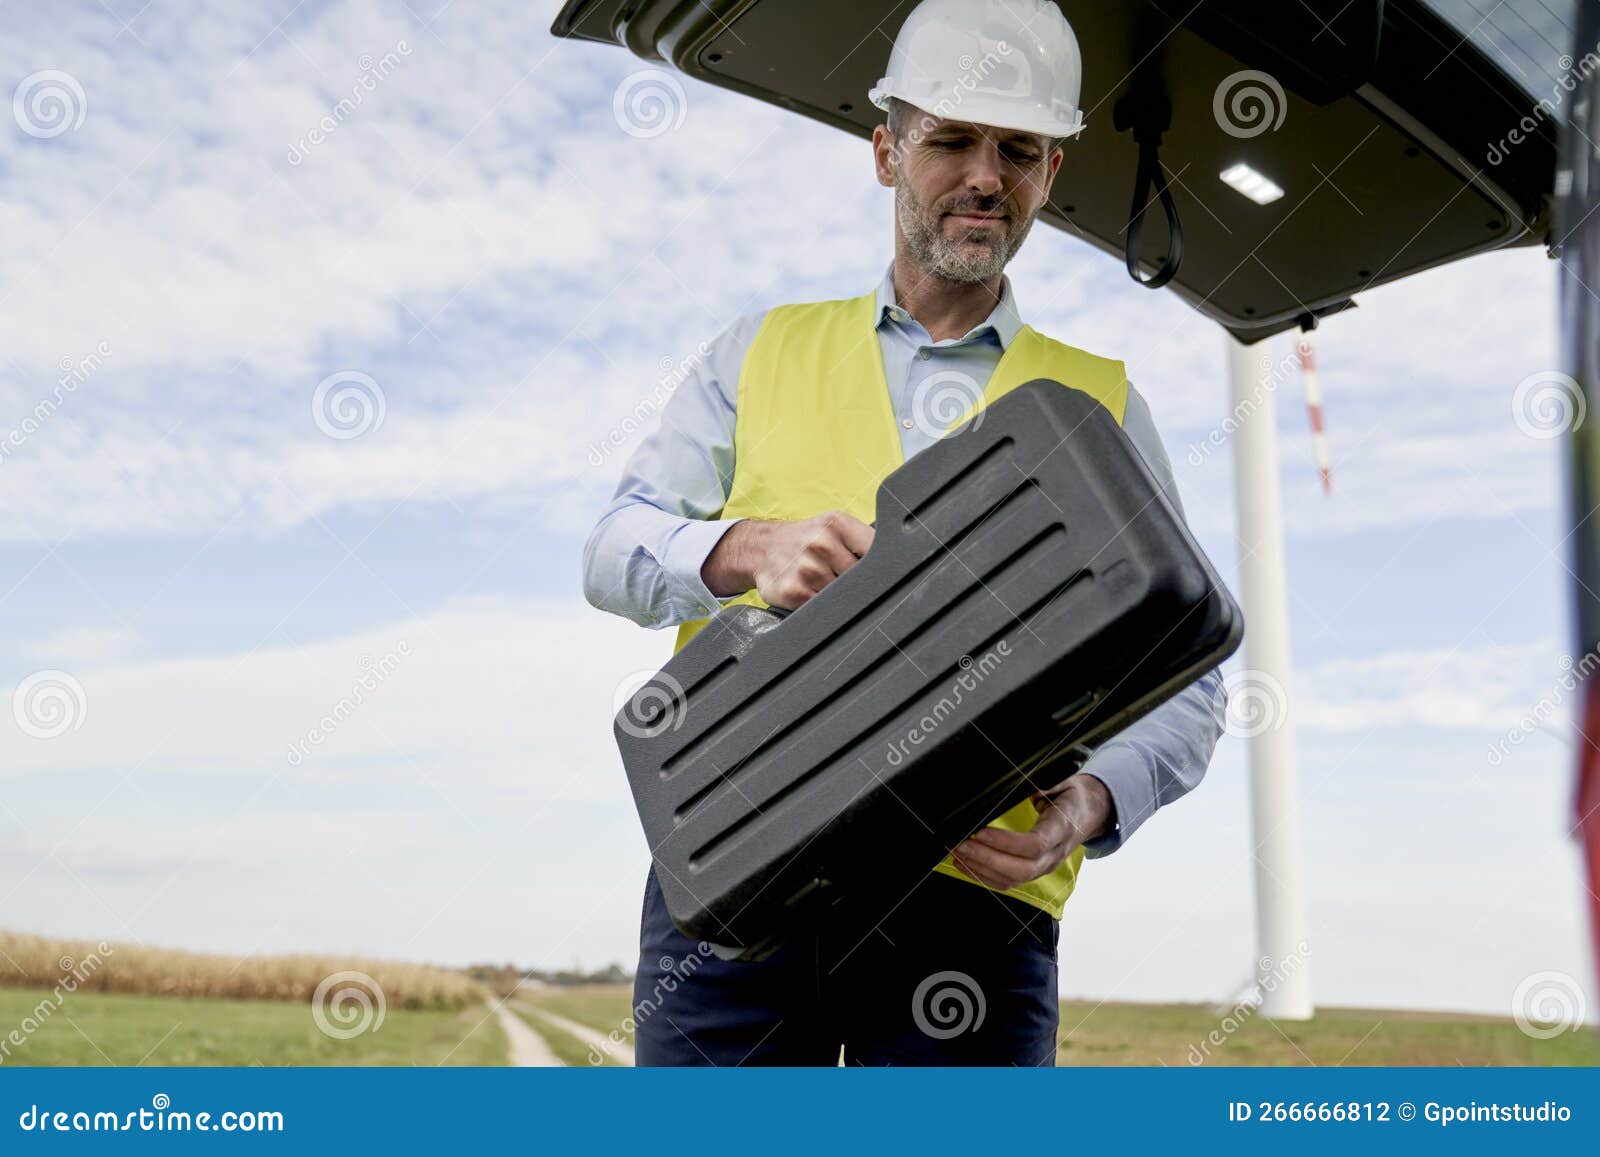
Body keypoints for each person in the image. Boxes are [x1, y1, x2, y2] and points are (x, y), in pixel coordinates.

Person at [582, 0, 1227, 1066]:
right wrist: (746, 548)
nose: (986, 175)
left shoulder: (1097, 402)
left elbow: (1189, 673)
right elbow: (612, 548)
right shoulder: (759, 351)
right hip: (743, 870)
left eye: (1018, 150)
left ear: (1050, 174)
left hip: (972, 917)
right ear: (888, 152)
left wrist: (1087, 805)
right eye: (952, 141)